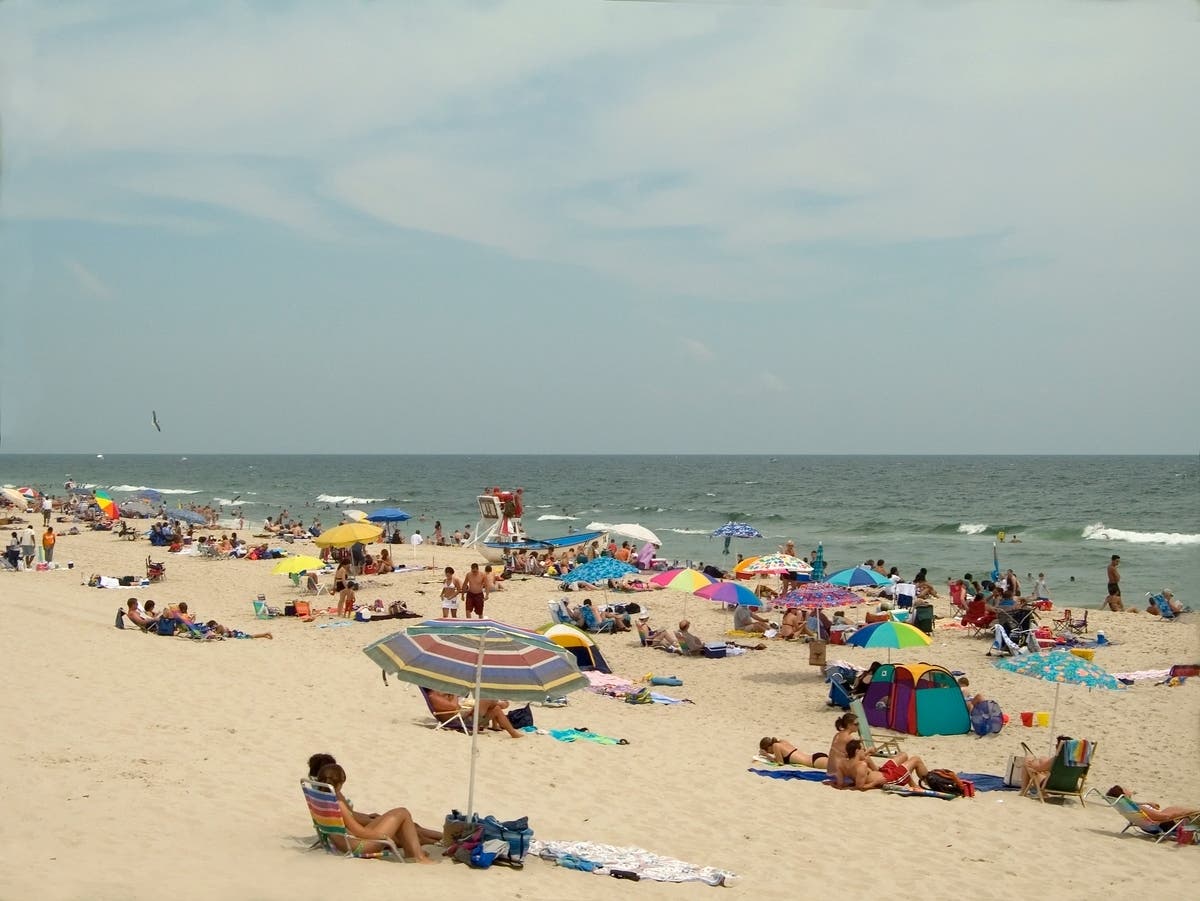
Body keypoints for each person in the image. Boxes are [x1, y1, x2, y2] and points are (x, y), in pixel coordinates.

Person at [315, 763, 436, 862]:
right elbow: (359, 832)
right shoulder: (338, 805)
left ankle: (413, 852)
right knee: (402, 813)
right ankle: (418, 856)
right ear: (339, 784)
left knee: (392, 816)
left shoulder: (319, 800)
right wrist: (384, 837)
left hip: (342, 843)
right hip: (360, 847)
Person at [426, 689, 522, 738]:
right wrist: (454, 694)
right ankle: (501, 704)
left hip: (463, 716)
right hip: (459, 721)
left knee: (496, 709)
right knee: (486, 699)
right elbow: (454, 707)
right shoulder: (434, 697)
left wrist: (449, 695)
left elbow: (456, 707)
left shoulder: (438, 695)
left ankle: (513, 733)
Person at [838, 739, 926, 790]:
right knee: (916, 759)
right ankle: (931, 782)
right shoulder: (862, 766)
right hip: (889, 779)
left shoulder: (844, 763)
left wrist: (867, 753)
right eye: (863, 749)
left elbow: (841, 783)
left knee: (903, 755)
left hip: (883, 771)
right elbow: (860, 787)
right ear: (857, 751)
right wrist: (874, 783)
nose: (864, 751)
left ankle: (913, 784)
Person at [1104, 785, 1200, 827]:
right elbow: (1165, 817)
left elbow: (1137, 805)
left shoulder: (1130, 806)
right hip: (1169, 823)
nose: (1128, 789)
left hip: (1165, 820)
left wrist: (1147, 803)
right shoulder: (1139, 809)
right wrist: (1184, 813)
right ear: (1124, 795)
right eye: (1125, 789)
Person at [759, 737, 827, 768]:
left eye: (768, 751)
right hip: (815, 757)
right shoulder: (782, 741)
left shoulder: (775, 745)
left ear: (768, 747)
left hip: (814, 762)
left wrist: (766, 755)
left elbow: (780, 763)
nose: (771, 753)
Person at [205, 620, 273, 639]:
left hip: (236, 634)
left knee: (251, 636)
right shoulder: (219, 627)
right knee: (251, 636)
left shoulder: (219, 627)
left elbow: (216, 634)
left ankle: (266, 633)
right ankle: (264, 635)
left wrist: (211, 632)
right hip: (235, 633)